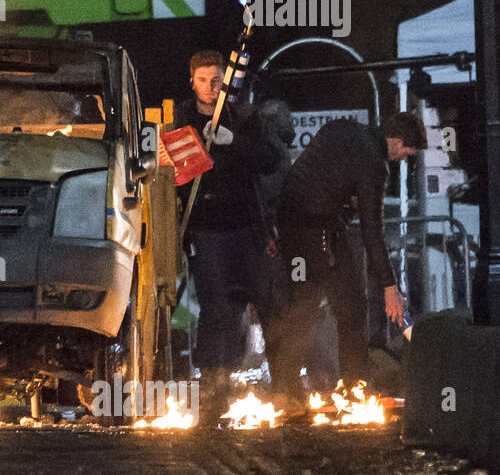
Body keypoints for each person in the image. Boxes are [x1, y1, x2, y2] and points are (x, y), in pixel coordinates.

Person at [271, 112, 427, 405]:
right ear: (395, 141)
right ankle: (356, 387)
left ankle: (284, 390)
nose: (406, 157)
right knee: (353, 306)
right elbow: (372, 231)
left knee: (300, 307)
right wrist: (390, 287)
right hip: (321, 235)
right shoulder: (374, 165)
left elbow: (316, 179)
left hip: (291, 230)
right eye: (408, 150)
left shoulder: (341, 128)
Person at [174, 51, 285, 402]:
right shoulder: (181, 118)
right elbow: (174, 175)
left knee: (266, 299)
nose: (210, 86)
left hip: (245, 226)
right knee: (215, 306)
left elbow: (269, 160)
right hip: (206, 229)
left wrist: (233, 141)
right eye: (203, 79)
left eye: (216, 79)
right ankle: (213, 382)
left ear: (226, 81)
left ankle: (284, 381)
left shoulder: (244, 116)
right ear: (192, 81)